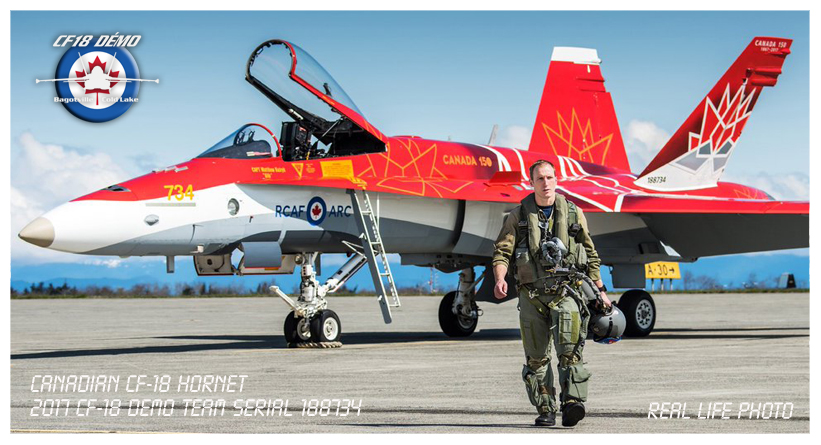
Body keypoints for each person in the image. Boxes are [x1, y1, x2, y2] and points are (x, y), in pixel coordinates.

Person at [492, 159, 611, 427]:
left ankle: (572, 403)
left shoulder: (572, 213)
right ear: (531, 183)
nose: (545, 183)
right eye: (539, 179)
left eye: (549, 178)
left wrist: (601, 291)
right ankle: (546, 409)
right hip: (532, 295)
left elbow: (590, 254)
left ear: (556, 180)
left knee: (569, 351)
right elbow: (502, 251)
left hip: (566, 291)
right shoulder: (519, 216)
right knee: (536, 357)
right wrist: (500, 279)